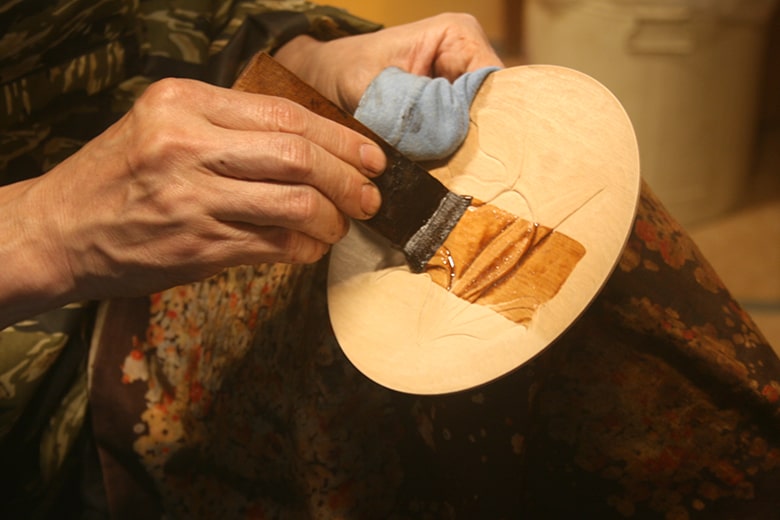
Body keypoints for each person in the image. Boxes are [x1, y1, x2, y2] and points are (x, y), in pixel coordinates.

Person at [2, 1, 778, 519]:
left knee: (591, 271)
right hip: (35, 362)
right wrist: (44, 229)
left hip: (195, 161)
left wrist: (304, 58)